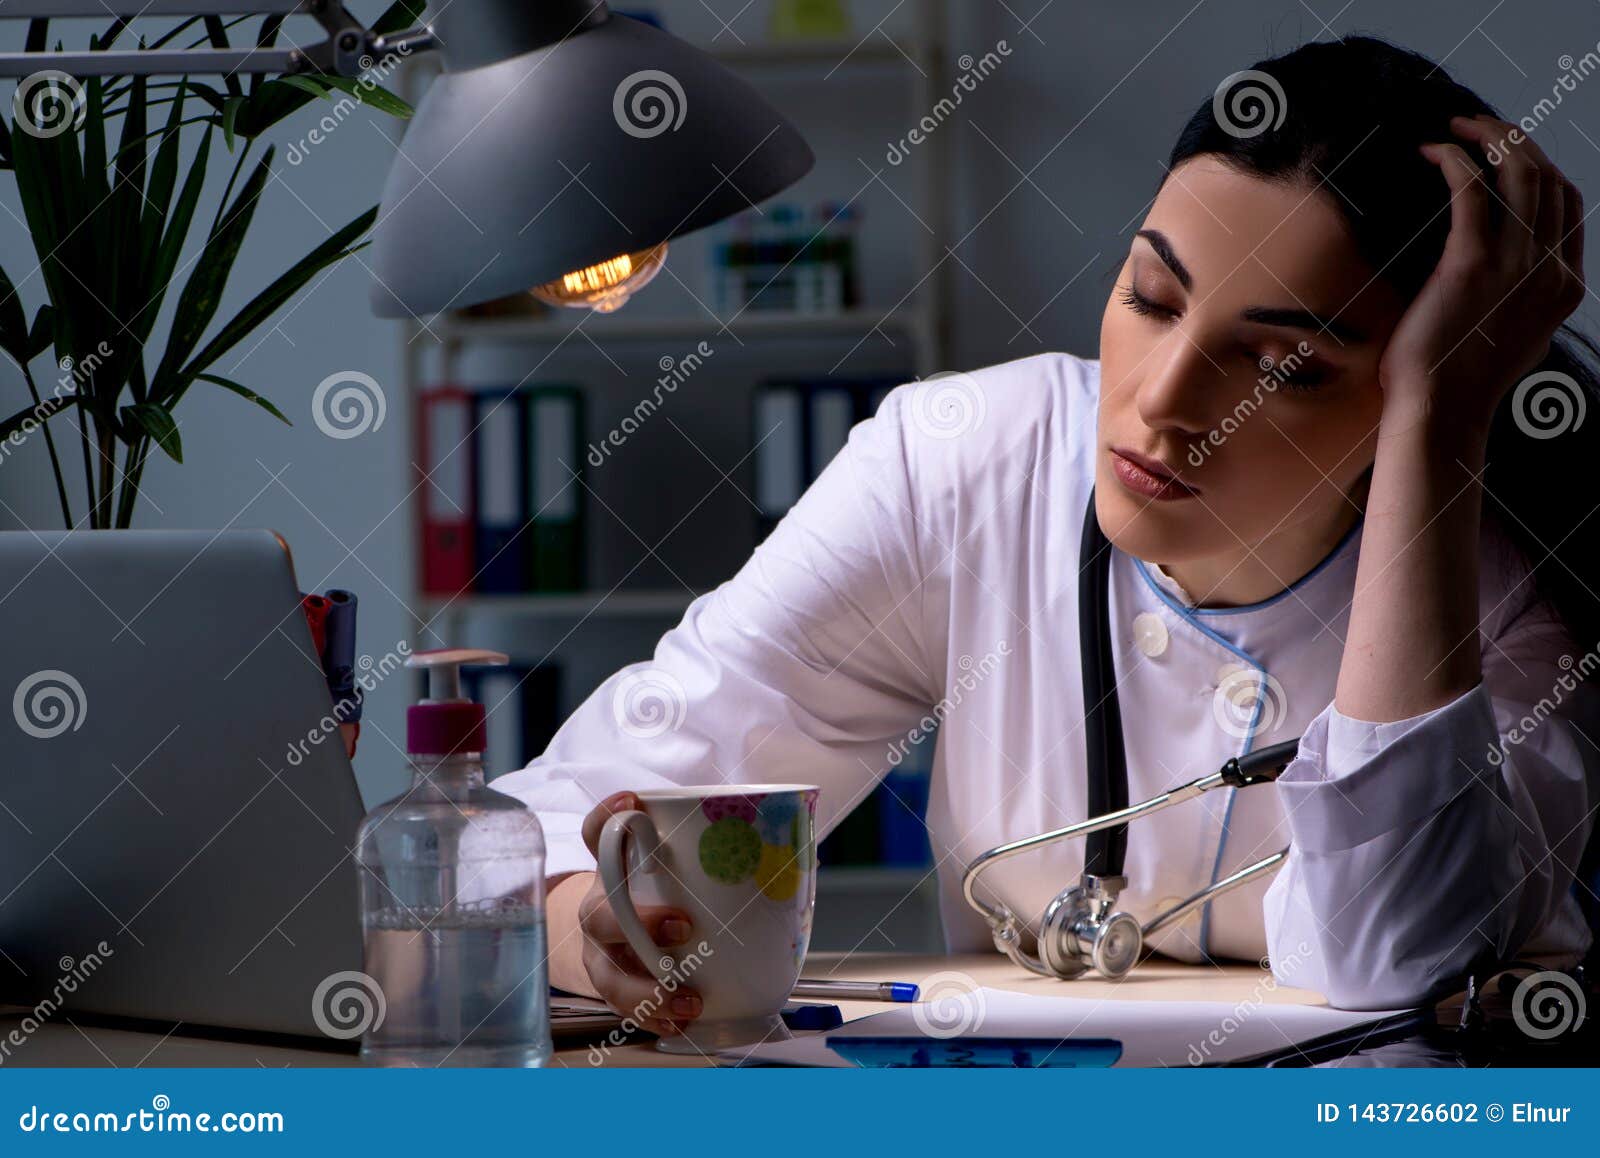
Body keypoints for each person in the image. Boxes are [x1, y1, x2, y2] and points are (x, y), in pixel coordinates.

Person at [495, 34, 1600, 1029]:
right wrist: (593, 929)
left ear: (1432, 383)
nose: (1165, 400)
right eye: (1153, 298)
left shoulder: (1504, 597)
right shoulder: (968, 461)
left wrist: (1439, 434)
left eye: (1286, 368)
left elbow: (1395, 953)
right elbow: (531, 830)